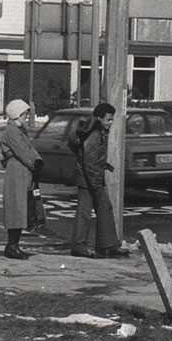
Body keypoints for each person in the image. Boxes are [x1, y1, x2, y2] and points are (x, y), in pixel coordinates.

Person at [70, 103, 125, 258]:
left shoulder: (98, 130)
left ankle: (108, 245)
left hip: (93, 176)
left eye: (112, 120)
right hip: (88, 178)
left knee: (103, 208)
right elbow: (89, 162)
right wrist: (96, 186)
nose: (110, 123)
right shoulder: (92, 134)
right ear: (99, 118)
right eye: (108, 119)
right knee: (85, 211)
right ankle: (79, 246)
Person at [0, 99, 40, 260]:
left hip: (21, 171)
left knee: (20, 208)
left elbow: (28, 149)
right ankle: (12, 246)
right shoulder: (12, 131)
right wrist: (34, 163)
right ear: (16, 115)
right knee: (16, 208)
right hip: (17, 171)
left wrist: (36, 161)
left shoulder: (18, 129)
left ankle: (14, 245)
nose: (26, 117)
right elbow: (22, 150)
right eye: (24, 114)